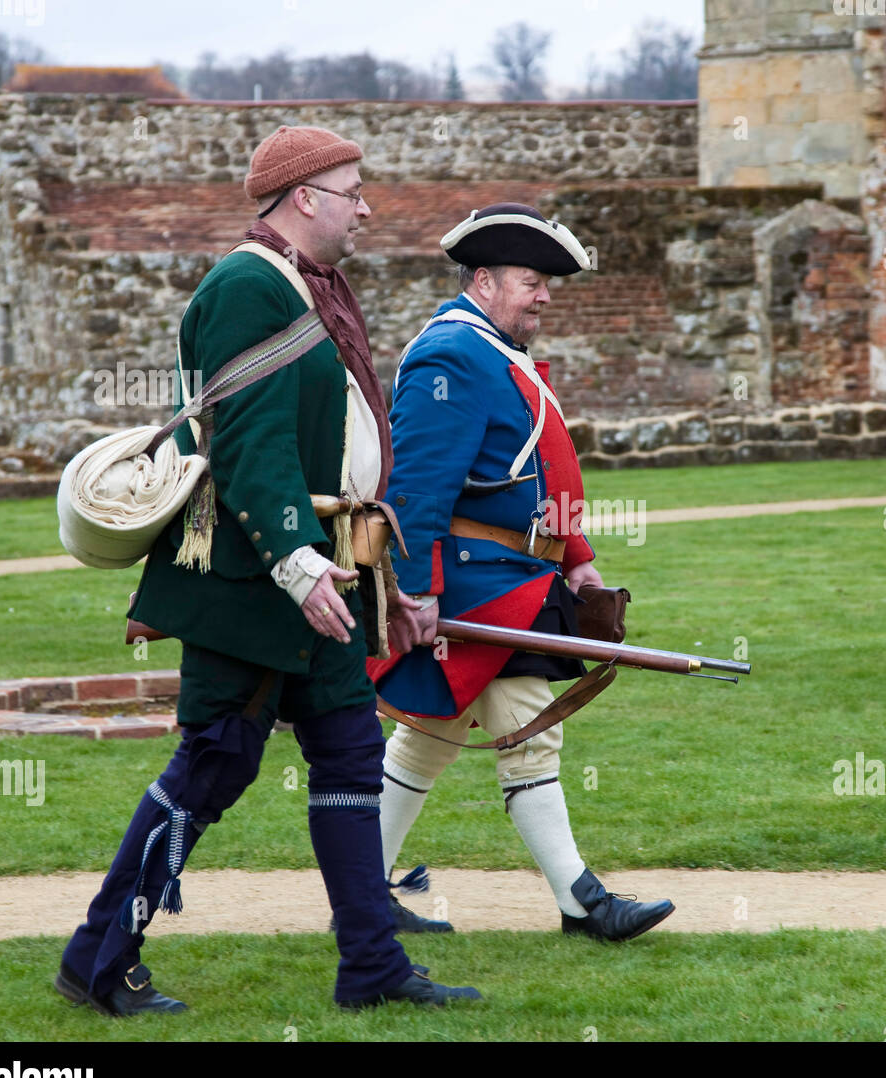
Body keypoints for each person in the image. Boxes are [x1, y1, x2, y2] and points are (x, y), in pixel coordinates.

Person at [54, 125, 480, 1014]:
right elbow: (253, 444)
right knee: (213, 764)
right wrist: (296, 564)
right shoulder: (249, 287)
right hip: (253, 581)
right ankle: (97, 959)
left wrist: (380, 586)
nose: (367, 206)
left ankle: (370, 962)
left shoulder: (312, 285)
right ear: (304, 198)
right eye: (353, 190)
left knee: (351, 752)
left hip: (324, 569)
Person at [366, 203, 675, 941]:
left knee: (429, 736)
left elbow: (543, 475)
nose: (544, 297)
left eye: (547, 285)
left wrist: (581, 564)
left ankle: (362, 893)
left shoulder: (496, 354)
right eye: (532, 281)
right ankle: (582, 902)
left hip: (515, 579)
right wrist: (419, 593)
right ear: (482, 279)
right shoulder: (453, 355)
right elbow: (415, 492)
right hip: (480, 587)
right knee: (531, 733)